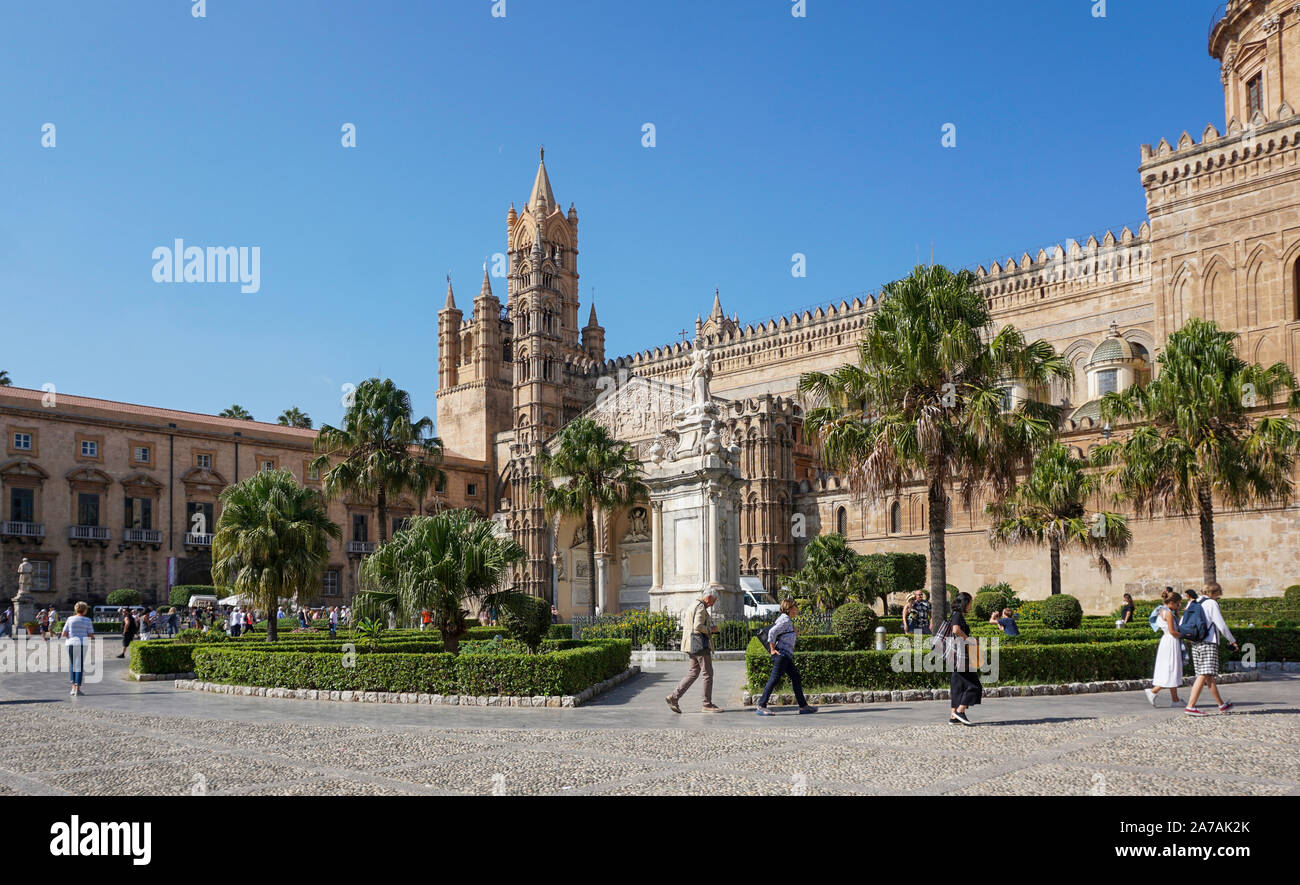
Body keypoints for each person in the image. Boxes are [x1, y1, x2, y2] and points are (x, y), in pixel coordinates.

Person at [1184, 582, 1238, 715]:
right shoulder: (1211, 603)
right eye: (1218, 595)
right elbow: (1222, 625)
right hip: (1208, 642)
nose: (1217, 598)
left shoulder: (1193, 602)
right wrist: (1232, 640)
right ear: (1213, 593)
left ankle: (1222, 705)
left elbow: (1183, 623)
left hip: (1195, 642)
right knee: (1203, 674)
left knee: (1208, 676)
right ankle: (1190, 706)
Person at [755, 598, 817, 715]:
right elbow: (772, 632)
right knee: (774, 680)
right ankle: (761, 706)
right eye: (795, 607)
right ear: (789, 608)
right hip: (781, 655)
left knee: (796, 678)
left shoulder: (787, 620)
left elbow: (784, 635)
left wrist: (794, 632)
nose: (797, 609)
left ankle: (803, 706)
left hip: (786, 656)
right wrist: (772, 650)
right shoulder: (785, 620)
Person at [666, 591, 722, 714]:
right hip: (699, 644)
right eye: (712, 601)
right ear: (708, 597)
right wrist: (711, 629)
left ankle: (674, 697)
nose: (712, 605)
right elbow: (697, 626)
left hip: (690, 644)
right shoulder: (701, 607)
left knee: (693, 672)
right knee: (708, 673)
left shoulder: (693, 605)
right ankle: (706, 704)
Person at [947, 592, 982, 725]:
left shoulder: (954, 615)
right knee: (974, 686)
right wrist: (970, 640)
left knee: (957, 686)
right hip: (960, 656)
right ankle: (959, 711)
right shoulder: (957, 615)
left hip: (956, 656)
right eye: (970, 603)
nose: (971, 606)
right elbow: (956, 630)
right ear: (964, 603)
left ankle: (953, 716)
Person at [1146, 589, 1184, 707]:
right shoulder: (1168, 613)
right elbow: (1172, 631)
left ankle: (1175, 699)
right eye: (1178, 603)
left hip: (1166, 641)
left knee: (1172, 669)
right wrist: (1185, 635)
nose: (1179, 606)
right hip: (1171, 640)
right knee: (1171, 669)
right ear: (1172, 602)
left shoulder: (1161, 610)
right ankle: (1153, 691)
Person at [62, 602, 94, 698]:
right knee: (79, 665)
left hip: (70, 643)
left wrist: (71, 635)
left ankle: (72, 687)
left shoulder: (70, 619)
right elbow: (91, 634)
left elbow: (64, 633)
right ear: (85, 610)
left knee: (72, 665)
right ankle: (77, 689)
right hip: (81, 643)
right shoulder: (87, 620)